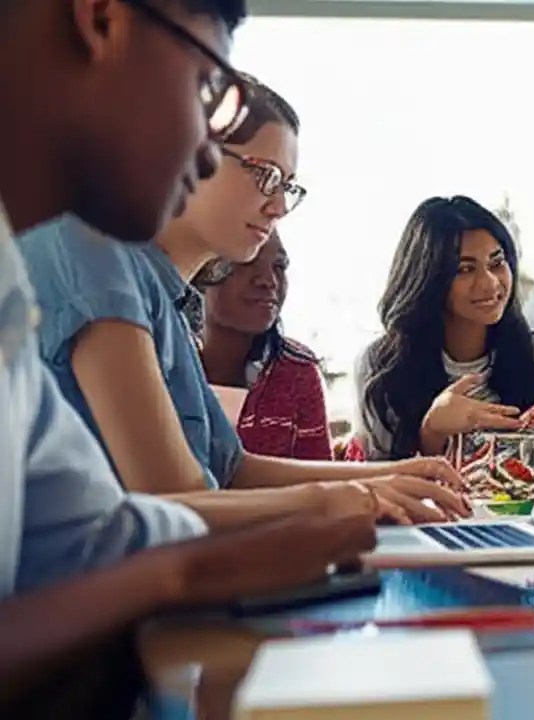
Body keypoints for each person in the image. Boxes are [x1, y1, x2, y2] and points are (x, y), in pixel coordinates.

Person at [0, 0, 374, 713]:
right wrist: (204, 560)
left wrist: (276, 534)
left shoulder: (11, 284)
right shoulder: (81, 255)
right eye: (208, 88)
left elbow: (102, 529)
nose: (204, 150)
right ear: (102, 20)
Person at [18, 75, 468, 527]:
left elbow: (233, 470)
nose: (278, 207)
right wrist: (340, 500)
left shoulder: (163, 295)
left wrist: (392, 476)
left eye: (287, 186)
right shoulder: (93, 251)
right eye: (265, 176)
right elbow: (170, 501)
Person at [354, 196, 534, 484]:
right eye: (465, 269)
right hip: (424, 521)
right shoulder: (380, 365)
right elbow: (377, 491)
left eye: (497, 263)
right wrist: (432, 432)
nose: (490, 283)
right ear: (428, 278)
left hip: (515, 521)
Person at [196, 231, 333, 460]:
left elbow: (318, 479)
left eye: (279, 266)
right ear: (201, 273)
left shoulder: (296, 370)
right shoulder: (162, 363)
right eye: (247, 260)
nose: (268, 281)